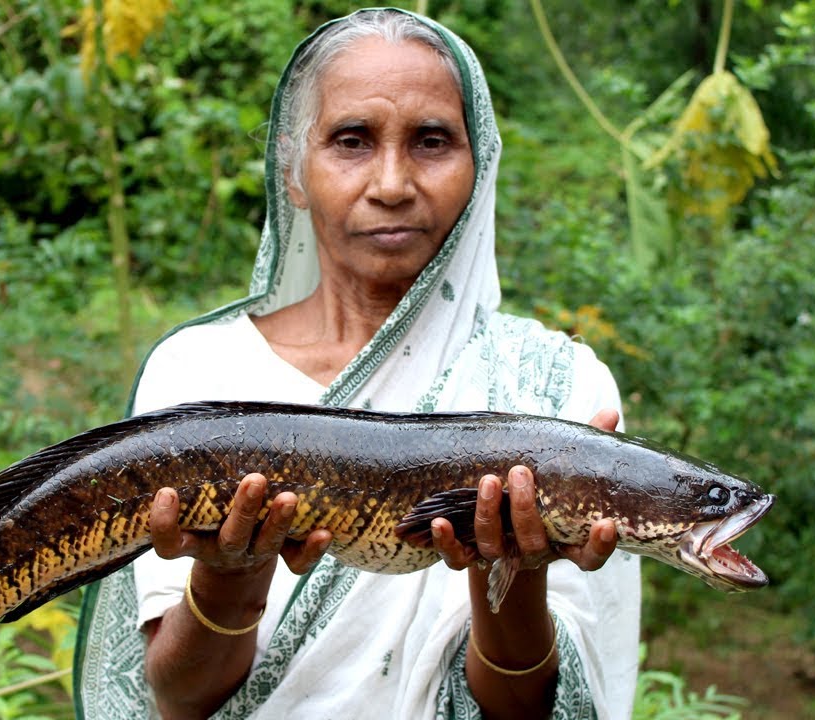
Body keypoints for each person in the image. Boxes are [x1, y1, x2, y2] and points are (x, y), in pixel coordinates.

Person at [74, 8, 640, 719]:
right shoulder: (201, 371)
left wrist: (514, 574)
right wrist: (229, 576)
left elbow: (521, 707)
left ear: (479, 163)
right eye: (352, 140)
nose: (394, 182)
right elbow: (180, 699)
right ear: (294, 168)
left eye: (432, 141)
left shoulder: (558, 390)